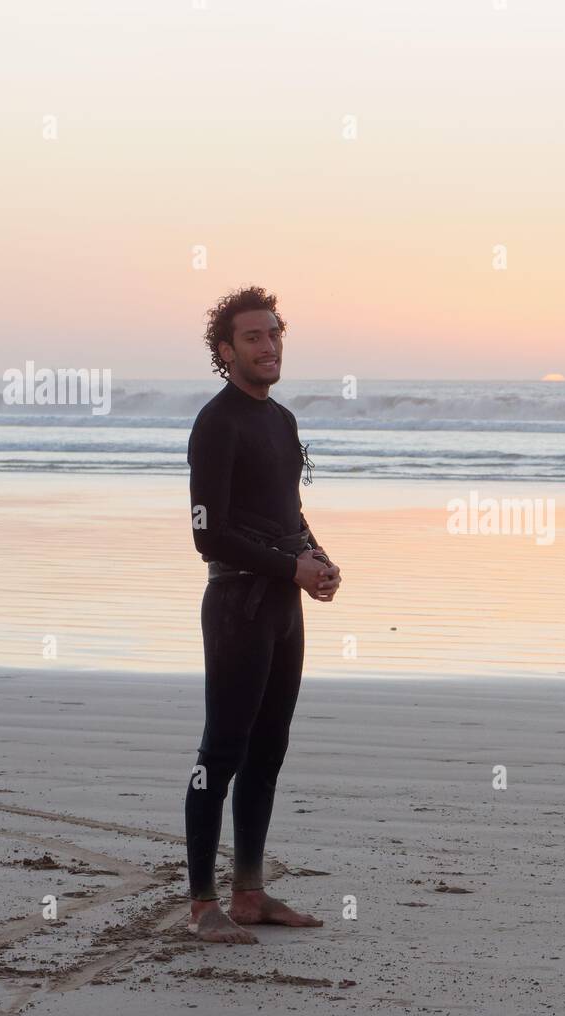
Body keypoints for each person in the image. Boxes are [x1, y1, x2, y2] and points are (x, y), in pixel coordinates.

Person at [183, 285, 341, 943]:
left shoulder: (280, 421)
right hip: (237, 605)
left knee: (268, 750)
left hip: (281, 604)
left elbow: (286, 507)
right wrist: (289, 567)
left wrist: (316, 555)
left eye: (274, 333)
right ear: (227, 351)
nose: (268, 345)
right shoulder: (216, 424)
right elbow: (208, 535)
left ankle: (249, 893)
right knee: (221, 750)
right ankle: (201, 905)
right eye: (252, 336)